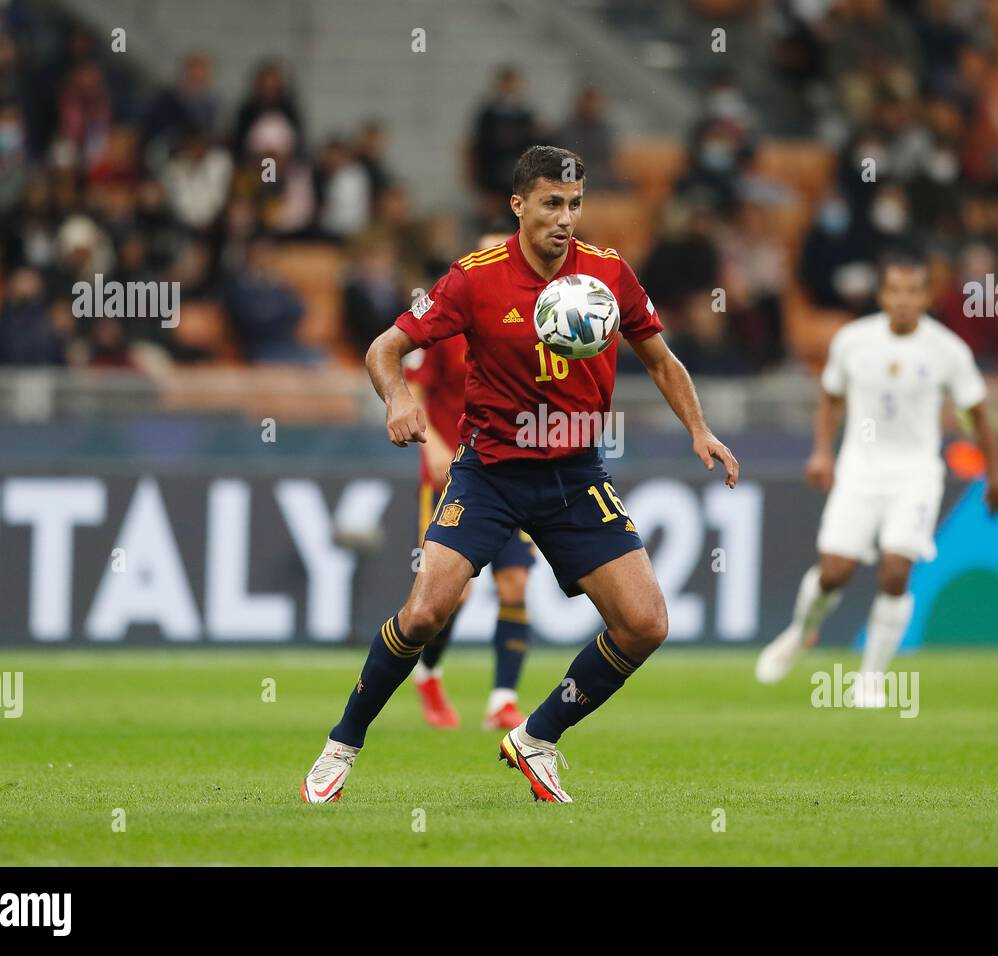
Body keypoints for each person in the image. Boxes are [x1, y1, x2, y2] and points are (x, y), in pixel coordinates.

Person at [302, 145, 739, 804]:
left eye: (575, 204)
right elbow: (384, 348)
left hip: (576, 475)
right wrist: (397, 398)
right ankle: (342, 744)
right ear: (518, 205)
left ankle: (536, 737)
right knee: (424, 614)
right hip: (492, 474)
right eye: (551, 203)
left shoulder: (607, 274)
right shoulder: (474, 279)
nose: (565, 218)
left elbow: (660, 359)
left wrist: (699, 429)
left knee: (646, 623)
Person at [756, 251, 998, 702]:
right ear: (881, 295)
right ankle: (800, 632)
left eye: (913, 292)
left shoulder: (947, 350)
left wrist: (995, 476)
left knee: (895, 571)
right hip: (860, 469)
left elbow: (978, 414)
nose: (904, 300)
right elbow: (831, 397)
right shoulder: (853, 341)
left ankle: (871, 679)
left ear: (927, 297)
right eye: (895, 290)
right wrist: (822, 452)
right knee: (834, 572)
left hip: (916, 474)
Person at [401, 230, 537, 731]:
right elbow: (412, 388)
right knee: (452, 595)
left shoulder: (537, 320)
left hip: (516, 471)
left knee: (514, 583)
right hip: (454, 475)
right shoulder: (448, 316)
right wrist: (433, 446)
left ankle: (503, 700)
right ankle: (428, 672)